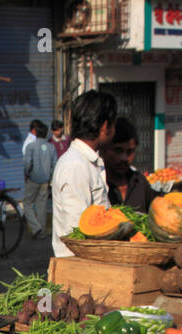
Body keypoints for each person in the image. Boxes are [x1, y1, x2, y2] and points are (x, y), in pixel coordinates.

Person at [50, 90, 117, 257]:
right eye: (113, 125)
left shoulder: (89, 162)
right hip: (79, 263)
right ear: (105, 127)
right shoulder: (75, 166)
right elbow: (79, 230)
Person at [101, 117, 153, 214]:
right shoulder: (98, 184)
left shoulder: (140, 182)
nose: (124, 158)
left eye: (130, 151)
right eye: (118, 150)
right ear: (104, 150)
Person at [22, 121, 56, 239]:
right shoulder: (51, 147)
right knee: (42, 205)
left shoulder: (30, 146)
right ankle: (42, 231)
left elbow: (27, 163)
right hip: (45, 180)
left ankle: (36, 228)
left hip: (33, 179)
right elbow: (54, 164)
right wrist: (50, 177)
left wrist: (26, 174)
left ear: (35, 133)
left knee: (27, 204)